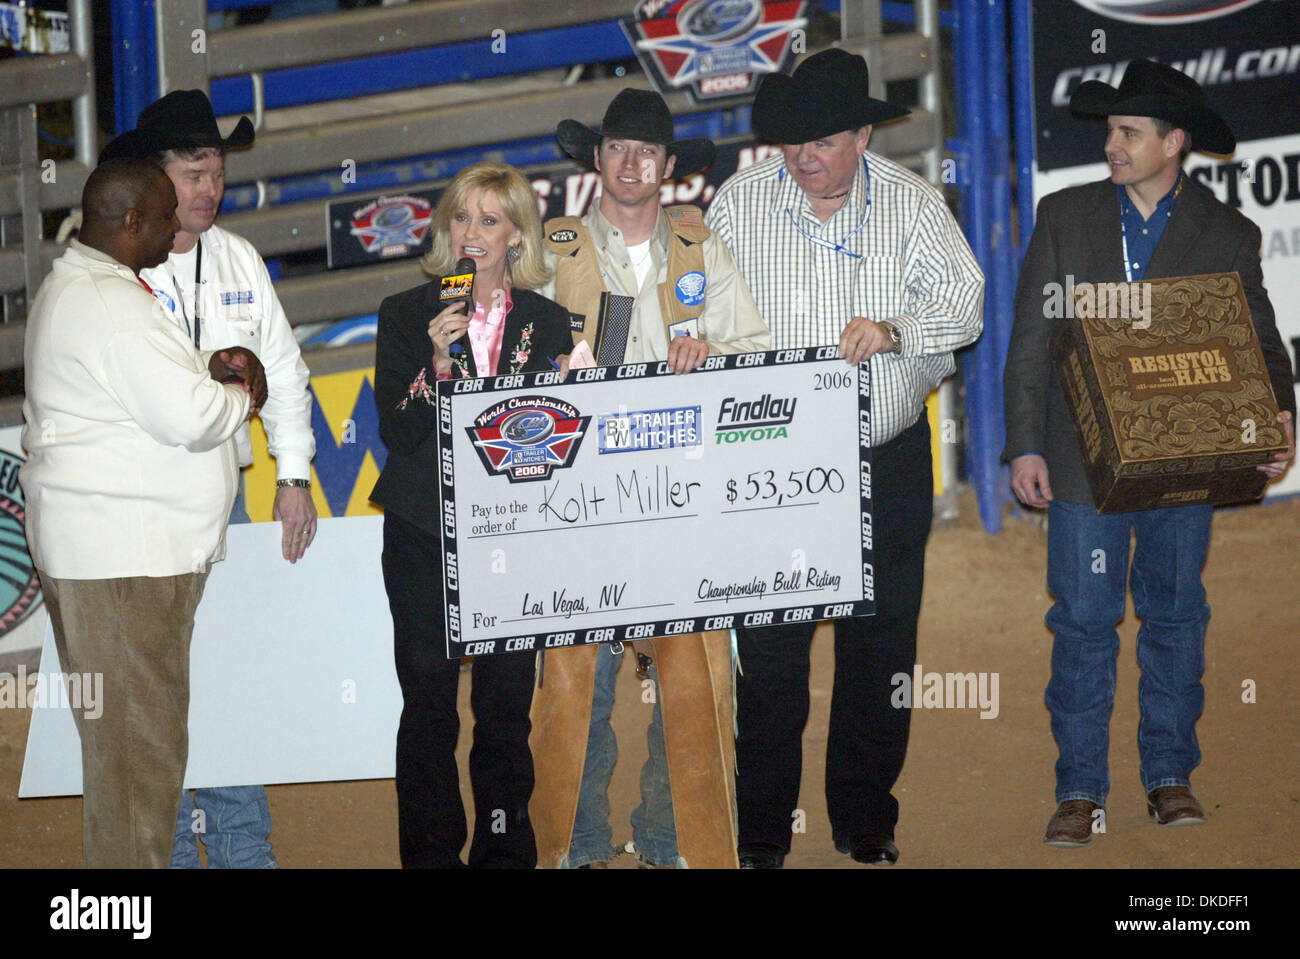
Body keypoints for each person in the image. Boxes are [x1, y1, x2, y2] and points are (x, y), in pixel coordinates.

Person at [1004, 58, 1295, 847]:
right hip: (1079, 462)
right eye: (1109, 130)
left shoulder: (1229, 234)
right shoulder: (1065, 216)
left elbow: (1261, 345)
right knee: (1085, 619)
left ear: (1175, 142)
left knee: (1175, 613)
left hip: (1183, 463)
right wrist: (1024, 445)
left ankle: (1169, 774)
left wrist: (1278, 416)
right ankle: (1079, 788)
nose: (1113, 145)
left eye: (1129, 132)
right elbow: (1031, 342)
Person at [706, 48, 984, 868]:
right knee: (769, 652)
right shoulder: (738, 204)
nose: (802, 156)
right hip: (773, 465)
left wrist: (897, 330)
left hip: (885, 457)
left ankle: (865, 819)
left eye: (821, 140)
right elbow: (702, 307)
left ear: (864, 133)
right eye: (791, 141)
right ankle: (760, 832)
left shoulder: (915, 205)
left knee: (880, 647)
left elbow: (964, 304)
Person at [529, 88, 770, 869]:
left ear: (669, 168)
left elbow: (755, 352)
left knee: (693, 674)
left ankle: (678, 842)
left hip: (684, 497)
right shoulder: (551, 248)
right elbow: (504, 361)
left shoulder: (702, 248)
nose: (631, 163)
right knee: (575, 678)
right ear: (596, 160)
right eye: (617, 148)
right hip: (577, 499)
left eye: (646, 152)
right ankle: (572, 842)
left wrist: (715, 360)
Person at [20, 158, 265, 868]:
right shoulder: (107, 304)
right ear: (131, 222)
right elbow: (189, 416)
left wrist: (204, 369)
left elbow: (153, 392)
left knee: (131, 767)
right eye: (162, 217)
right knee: (137, 773)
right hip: (123, 567)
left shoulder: (92, 291)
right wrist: (242, 391)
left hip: (117, 561)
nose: (172, 228)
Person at [100, 89, 317, 869]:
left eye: (217, 171)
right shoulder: (112, 267)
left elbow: (285, 375)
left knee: (228, 680)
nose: (209, 187)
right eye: (195, 171)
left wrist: (294, 474)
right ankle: (173, 856)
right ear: (154, 175)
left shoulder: (236, 259)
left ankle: (241, 849)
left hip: (220, 513)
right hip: (137, 517)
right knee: (158, 693)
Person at [370, 161, 574, 868]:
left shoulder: (548, 323)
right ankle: (429, 858)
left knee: (504, 711)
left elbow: (561, 440)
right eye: (462, 217)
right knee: (428, 706)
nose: (473, 232)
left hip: (514, 540)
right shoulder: (405, 313)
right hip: (424, 532)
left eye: (490, 220)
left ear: (518, 234)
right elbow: (395, 433)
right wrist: (438, 361)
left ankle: (503, 851)